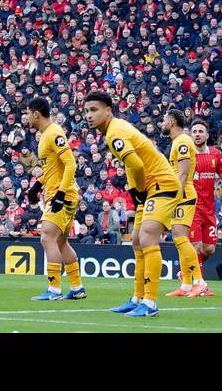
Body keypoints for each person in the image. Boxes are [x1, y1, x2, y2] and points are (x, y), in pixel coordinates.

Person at [85, 90, 181, 318]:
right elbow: (133, 165)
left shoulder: (114, 133)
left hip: (161, 184)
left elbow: (137, 166)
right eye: (87, 111)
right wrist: (136, 192)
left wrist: (138, 190)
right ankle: (138, 297)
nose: (89, 115)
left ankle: (150, 303)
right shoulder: (114, 128)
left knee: (147, 238)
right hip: (146, 189)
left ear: (108, 111)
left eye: (94, 110)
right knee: (136, 240)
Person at [26, 97, 86, 301]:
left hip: (63, 195)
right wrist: (38, 184)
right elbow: (54, 167)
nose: (26, 118)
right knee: (60, 242)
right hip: (59, 192)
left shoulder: (53, 132)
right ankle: (77, 288)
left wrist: (60, 193)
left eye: (27, 113)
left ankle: (54, 290)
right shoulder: (46, 135)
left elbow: (70, 164)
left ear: (35, 113)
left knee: (47, 237)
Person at [162, 108, 205, 298]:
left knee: (181, 238)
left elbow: (184, 173)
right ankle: (186, 285)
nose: (162, 124)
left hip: (184, 193)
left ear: (171, 122)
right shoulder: (178, 142)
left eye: (164, 120)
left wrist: (176, 196)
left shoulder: (182, 142)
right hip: (181, 193)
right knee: (179, 240)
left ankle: (199, 281)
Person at [189, 116, 222, 296]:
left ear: (207, 135)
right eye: (194, 132)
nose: (197, 134)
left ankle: (187, 270)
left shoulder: (215, 154)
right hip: (192, 207)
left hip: (210, 207)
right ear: (190, 135)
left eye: (201, 131)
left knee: (209, 249)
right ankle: (199, 283)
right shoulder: (187, 154)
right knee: (196, 246)